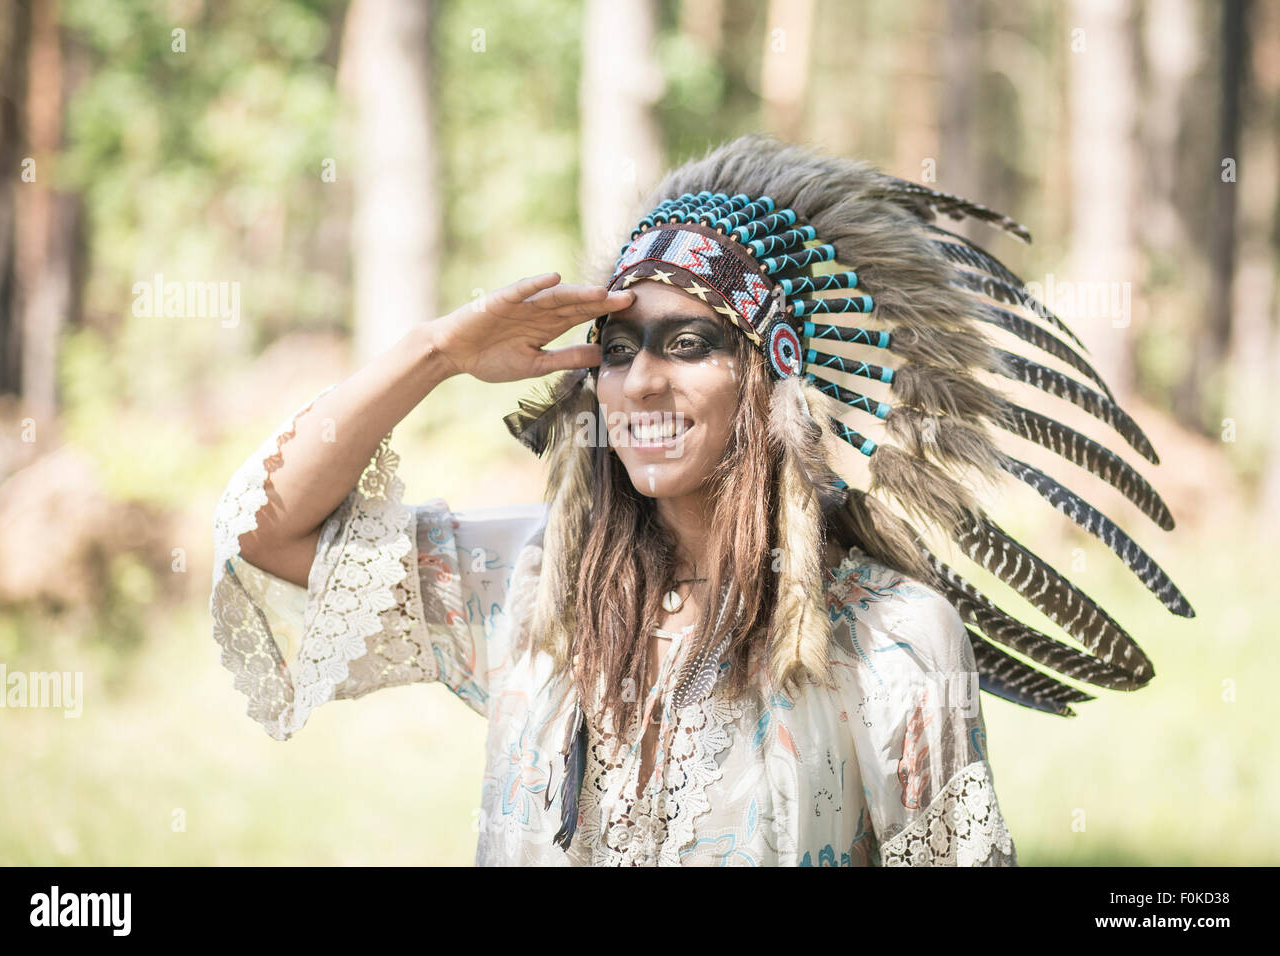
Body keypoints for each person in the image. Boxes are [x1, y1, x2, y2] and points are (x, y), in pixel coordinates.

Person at [210, 134, 1190, 866]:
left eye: (688, 345)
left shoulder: (893, 640)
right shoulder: (528, 583)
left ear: (772, 381)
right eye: (619, 347)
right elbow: (264, 530)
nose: (640, 382)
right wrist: (435, 352)